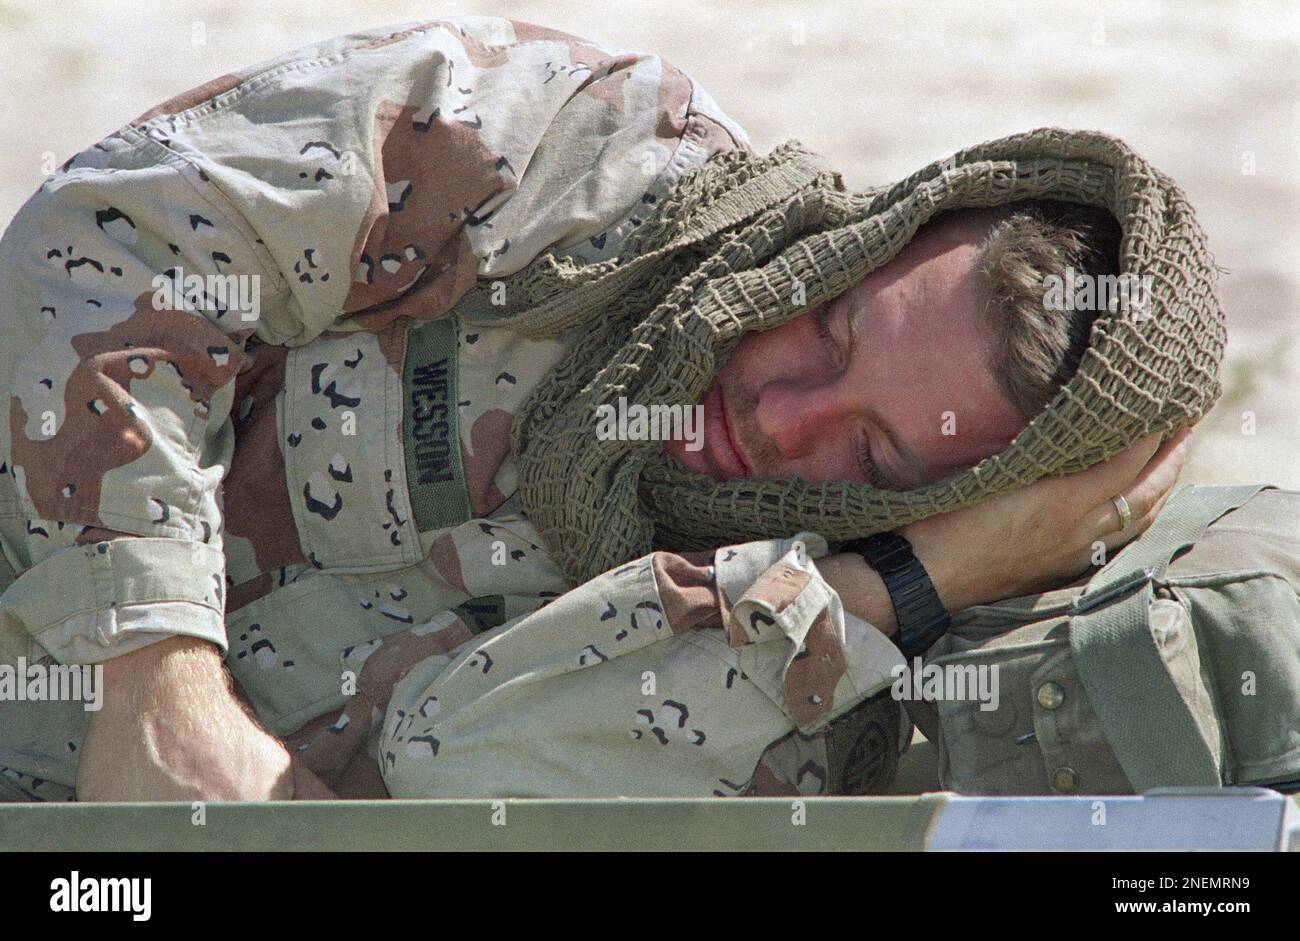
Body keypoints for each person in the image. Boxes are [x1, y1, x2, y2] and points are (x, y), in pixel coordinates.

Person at [0, 16, 1189, 801]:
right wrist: (151, 673)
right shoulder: (582, 160)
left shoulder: (818, 648)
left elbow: (457, 786)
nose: (784, 418)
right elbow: (106, 234)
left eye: (872, 449)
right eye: (834, 328)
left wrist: (897, 585)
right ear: (883, 232)